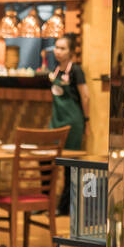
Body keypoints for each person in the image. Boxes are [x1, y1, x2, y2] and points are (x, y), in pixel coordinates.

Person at [48, 33, 89, 215]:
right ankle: (45, 203)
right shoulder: (55, 70)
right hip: (56, 122)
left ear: (71, 52)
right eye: (56, 47)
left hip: (72, 123)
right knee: (49, 162)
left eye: (62, 48)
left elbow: (85, 96)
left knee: (68, 165)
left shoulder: (76, 71)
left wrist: (87, 121)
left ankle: (64, 207)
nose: (58, 51)